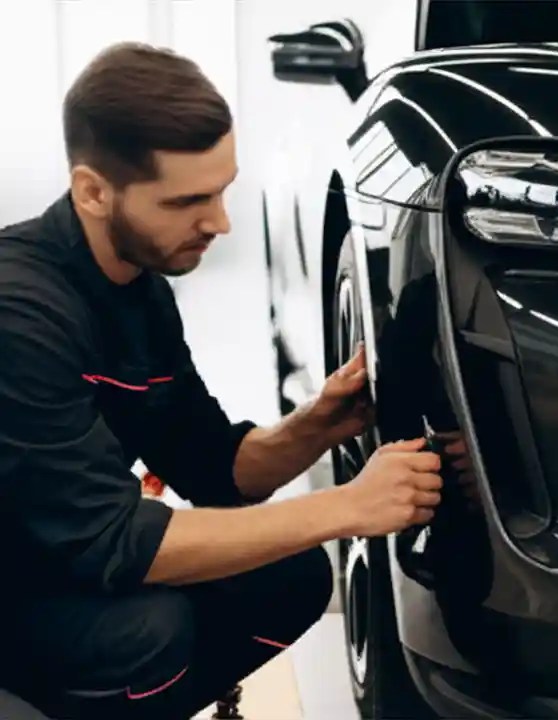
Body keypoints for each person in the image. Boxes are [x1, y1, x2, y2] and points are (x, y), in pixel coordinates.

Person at [0, 42, 444, 719]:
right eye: (187, 201)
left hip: (58, 559)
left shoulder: (139, 289)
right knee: (145, 635)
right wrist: (348, 506)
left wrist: (315, 427)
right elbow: (111, 544)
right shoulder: (20, 313)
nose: (219, 222)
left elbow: (210, 465)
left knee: (289, 578)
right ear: (93, 191)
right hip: (18, 586)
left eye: (221, 190)